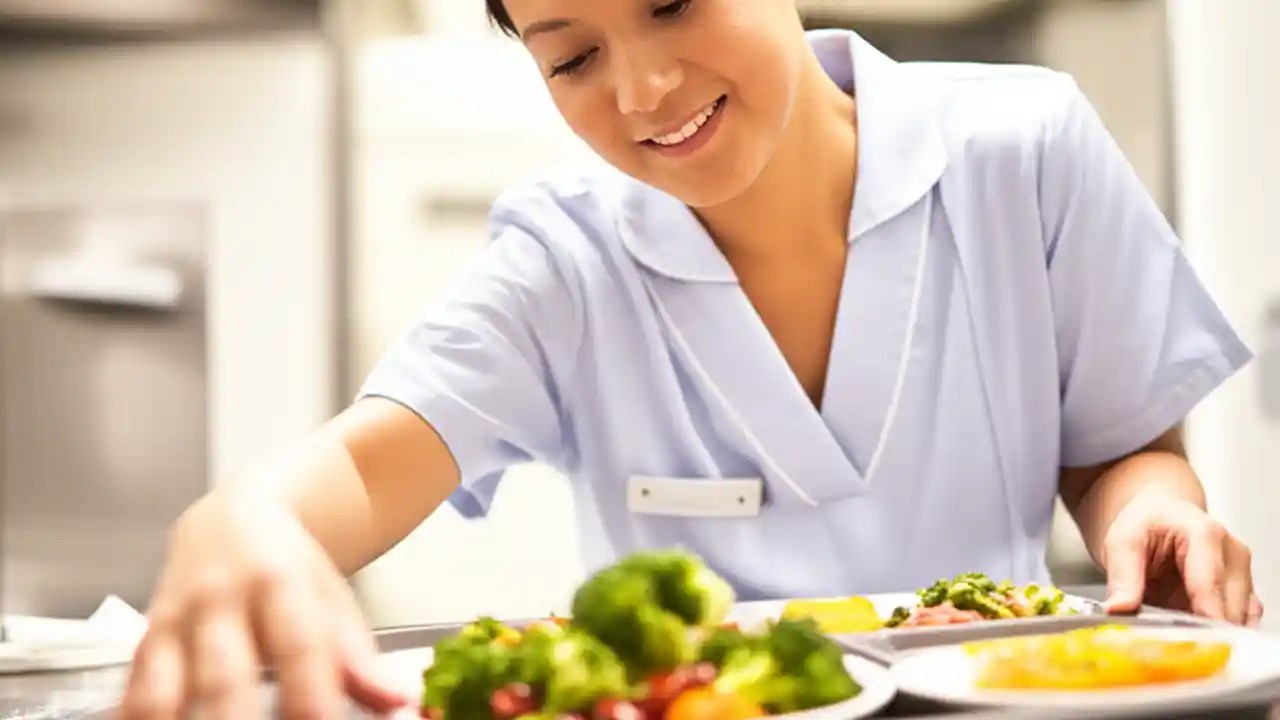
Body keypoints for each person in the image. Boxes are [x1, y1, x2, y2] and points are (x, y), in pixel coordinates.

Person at [119, 0, 1261, 717]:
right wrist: (236, 528)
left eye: (672, 3)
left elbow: (1119, 448)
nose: (642, 90)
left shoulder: (1025, 148)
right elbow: (358, 470)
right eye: (571, 60)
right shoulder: (563, 264)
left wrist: (1144, 513)